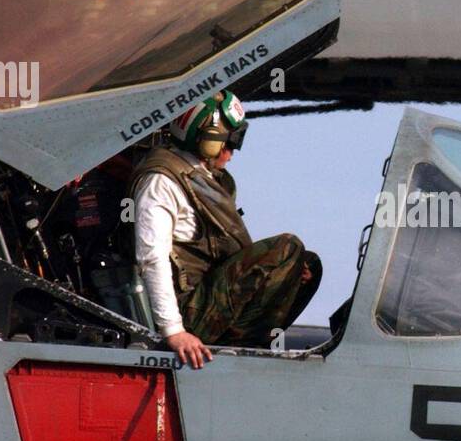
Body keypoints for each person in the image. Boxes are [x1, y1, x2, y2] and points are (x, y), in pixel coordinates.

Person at [130, 90, 320, 367]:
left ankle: (250, 342)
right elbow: (151, 257)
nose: (231, 154)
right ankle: (241, 348)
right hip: (190, 309)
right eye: (227, 143)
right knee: (287, 248)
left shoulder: (204, 176)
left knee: (307, 263)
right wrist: (174, 331)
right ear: (207, 141)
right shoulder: (162, 181)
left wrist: (288, 273)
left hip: (207, 296)